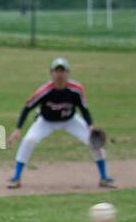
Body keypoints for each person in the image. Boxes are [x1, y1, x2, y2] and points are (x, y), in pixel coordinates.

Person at [6, 58, 115, 190]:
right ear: (51, 73)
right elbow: (27, 107)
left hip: (70, 120)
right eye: (56, 71)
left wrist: (90, 126)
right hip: (46, 121)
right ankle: (16, 177)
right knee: (29, 140)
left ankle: (104, 178)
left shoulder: (76, 89)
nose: (59, 74)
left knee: (94, 141)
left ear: (68, 73)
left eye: (62, 71)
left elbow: (84, 109)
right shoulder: (44, 90)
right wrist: (18, 129)